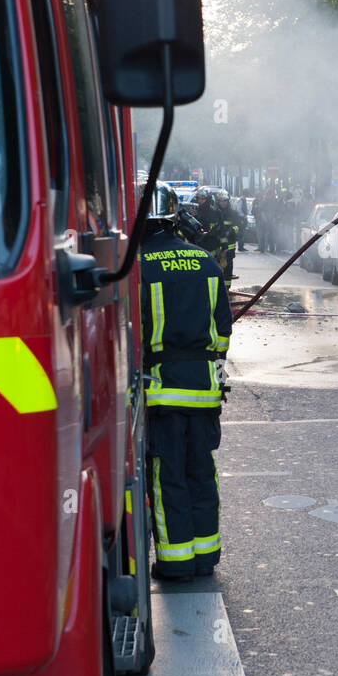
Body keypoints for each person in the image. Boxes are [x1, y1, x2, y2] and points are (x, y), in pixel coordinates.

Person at [140, 182, 232, 580]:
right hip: (205, 389)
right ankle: (206, 556)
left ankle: (176, 562)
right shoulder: (206, 261)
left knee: (167, 474)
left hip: (162, 391)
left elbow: (133, 334)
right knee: (201, 470)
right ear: (175, 218)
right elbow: (223, 332)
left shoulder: (139, 265)